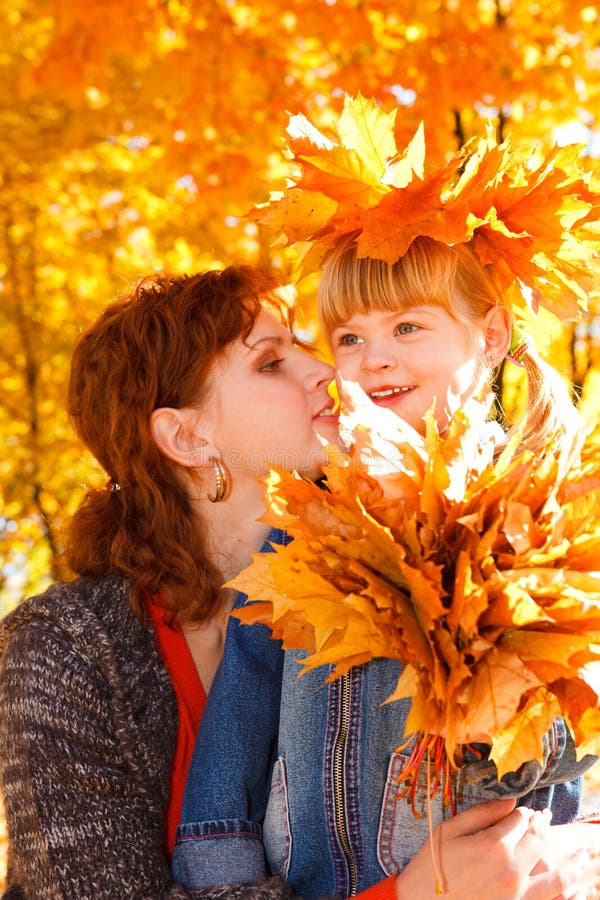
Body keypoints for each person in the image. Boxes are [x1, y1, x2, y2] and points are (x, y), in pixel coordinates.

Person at [172, 112, 600, 896]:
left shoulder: (548, 518)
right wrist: (215, 864)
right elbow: (239, 721)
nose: (375, 359)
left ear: (491, 336)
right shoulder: (307, 531)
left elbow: (575, 734)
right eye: (350, 339)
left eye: (407, 326)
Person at [0, 264, 340, 899]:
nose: (324, 369)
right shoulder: (65, 652)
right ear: (186, 438)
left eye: (303, 348)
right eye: (271, 363)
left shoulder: (375, 588)